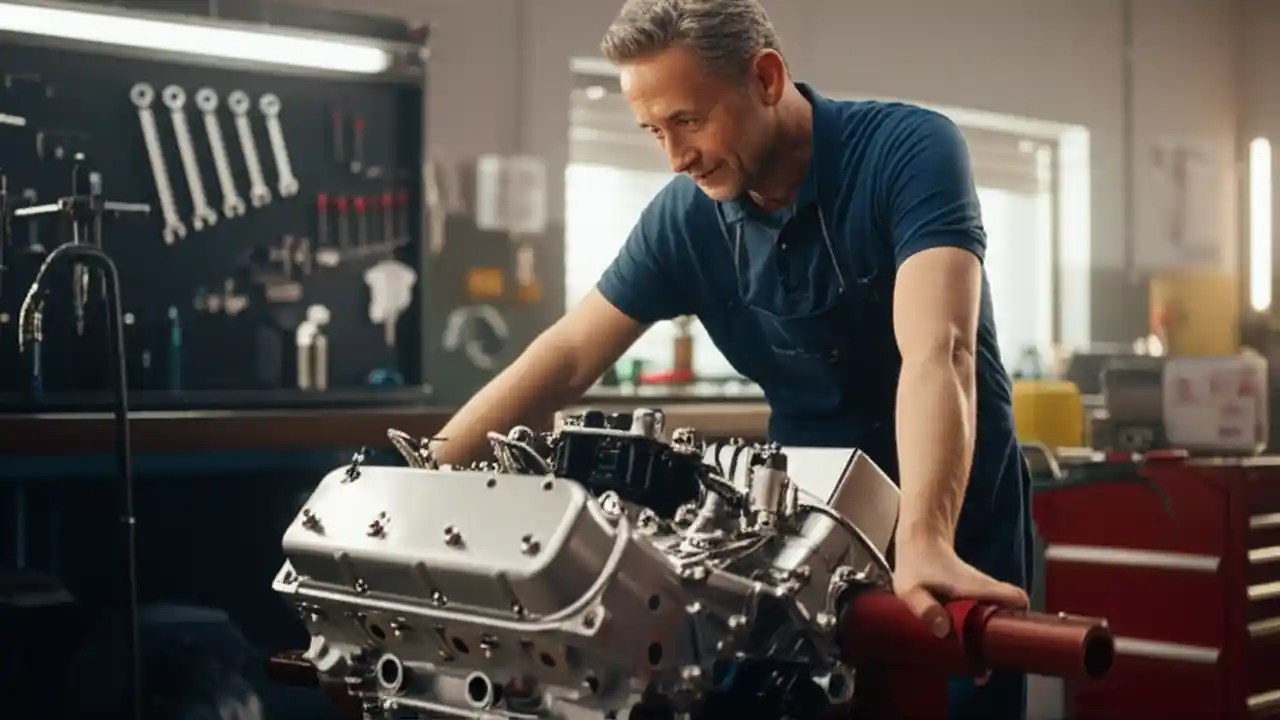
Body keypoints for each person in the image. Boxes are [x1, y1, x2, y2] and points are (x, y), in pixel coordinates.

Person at [434, 0, 1032, 716]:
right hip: (800, 532)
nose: (676, 157)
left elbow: (941, 349)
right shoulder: (685, 217)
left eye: (688, 120)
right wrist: (427, 479)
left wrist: (926, 538)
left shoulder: (907, 151)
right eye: (654, 131)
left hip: (952, 517)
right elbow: (565, 356)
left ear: (768, 79)